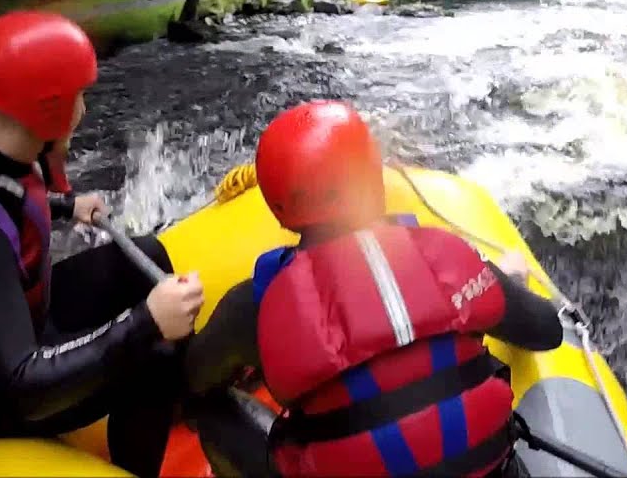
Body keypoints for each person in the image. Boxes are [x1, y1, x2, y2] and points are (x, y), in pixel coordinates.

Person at [0, 10, 204, 478]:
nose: (84, 110)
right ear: (48, 110)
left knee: (146, 255)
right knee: (155, 354)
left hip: (6, 323)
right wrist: (144, 322)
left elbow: (1, 186)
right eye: (80, 97)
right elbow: (19, 383)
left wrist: (66, 206)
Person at [183, 100, 564, 477]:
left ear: (276, 205)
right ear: (371, 176)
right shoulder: (446, 258)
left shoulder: (255, 304)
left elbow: (196, 379)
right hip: (490, 471)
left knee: (211, 411)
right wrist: (507, 280)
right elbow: (547, 329)